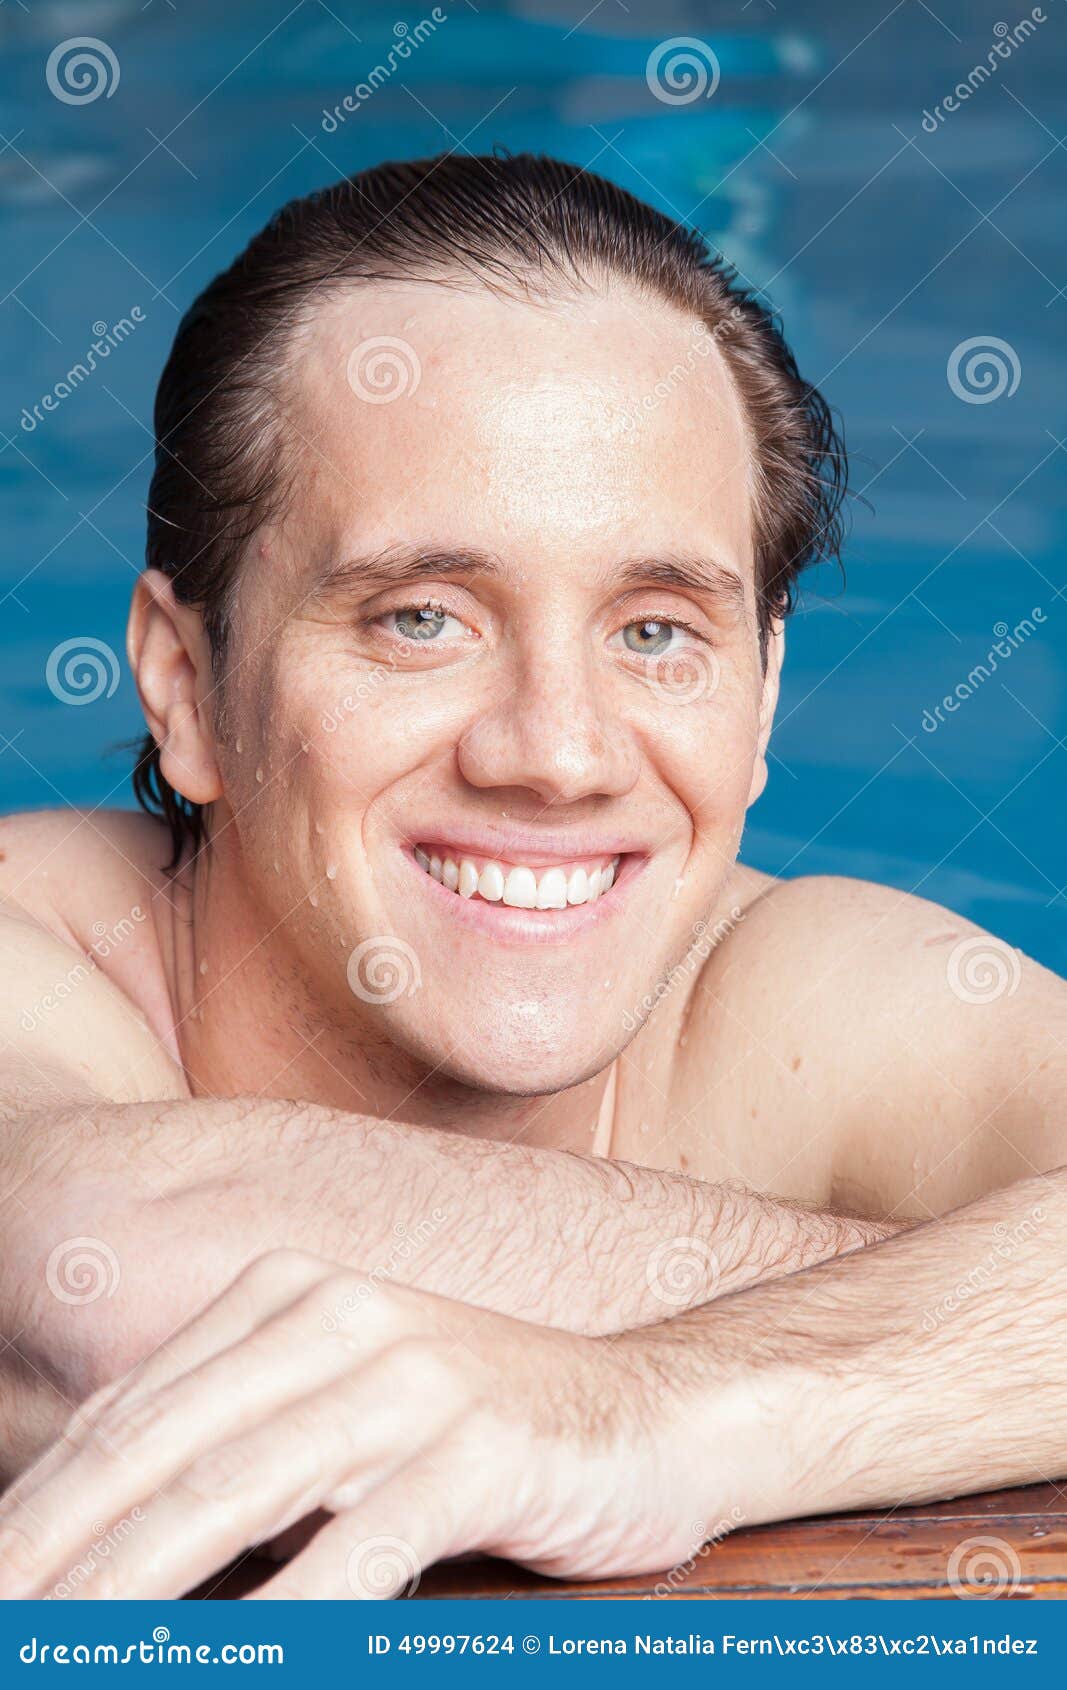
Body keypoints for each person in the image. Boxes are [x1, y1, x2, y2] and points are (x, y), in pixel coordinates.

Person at [0, 154, 1062, 1601]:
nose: (557, 754)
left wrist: (666, 1409)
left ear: (759, 704)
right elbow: (102, 1273)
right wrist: (955, 1292)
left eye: (655, 631)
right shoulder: (30, 938)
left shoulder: (802, 1002)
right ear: (187, 688)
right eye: (422, 617)